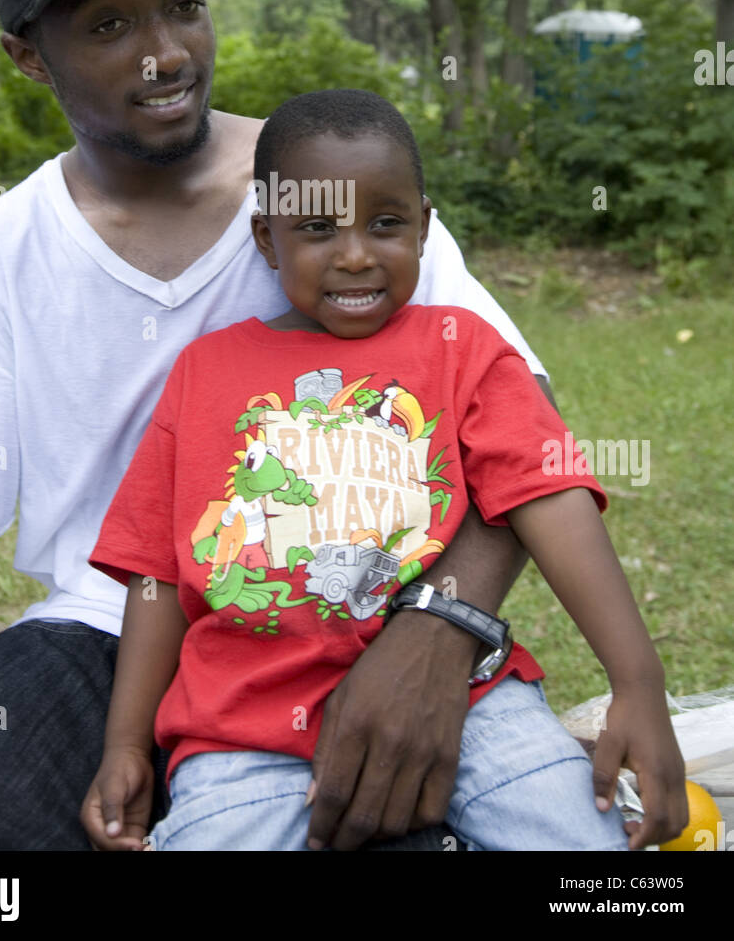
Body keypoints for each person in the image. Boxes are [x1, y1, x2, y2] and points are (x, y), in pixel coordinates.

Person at [0, 0, 556, 852]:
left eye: (182, 7)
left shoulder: (327, 199)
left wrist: (440, 624)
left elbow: (522, 424)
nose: (165, 52)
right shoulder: (0, 249)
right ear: (28, 55)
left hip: (334, 625)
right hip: (98, 634)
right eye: (108, 25)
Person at [84, 89, 688, 853]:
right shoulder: (204, 374)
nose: (357, 254)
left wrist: (638, 683)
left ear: (426, 228)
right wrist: (128, 747)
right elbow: (156, 574)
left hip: (471, 709)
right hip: (243, 730)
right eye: (316, 230)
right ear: (267, 240)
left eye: (387, 223)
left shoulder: (463, 349)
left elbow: (552, 496)